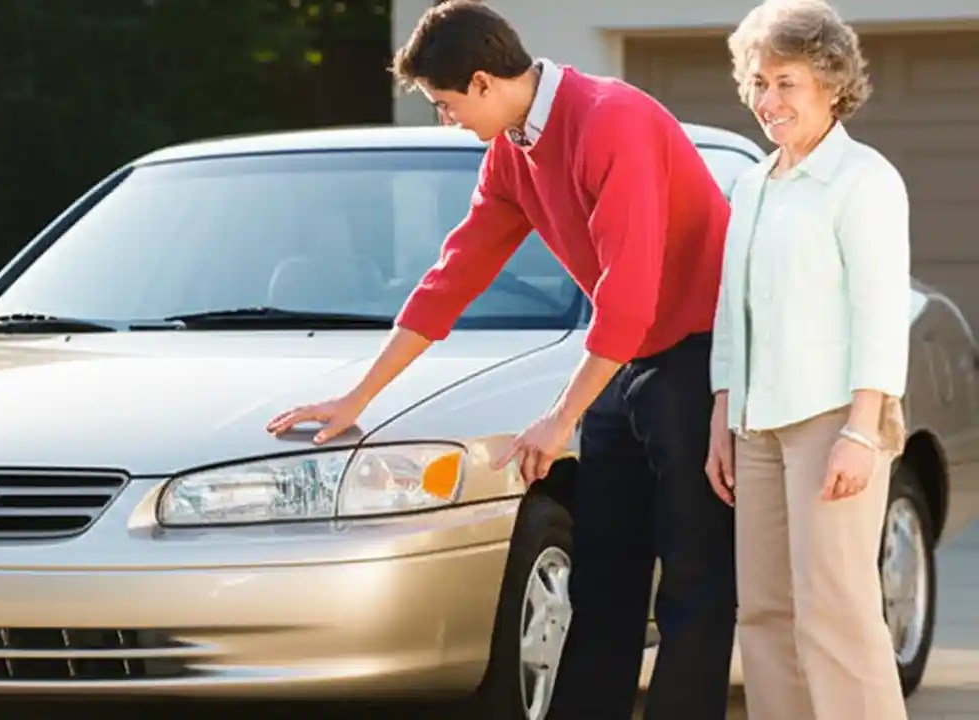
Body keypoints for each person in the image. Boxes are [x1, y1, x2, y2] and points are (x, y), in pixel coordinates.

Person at [265, 1, 736, 717]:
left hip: (701, 356)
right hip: (626, 362)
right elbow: (450, 280)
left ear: (483, 81)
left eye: (444, 104)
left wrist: (558, 418)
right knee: (603, 575)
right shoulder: (513, 153)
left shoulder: (614, 121)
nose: (445, 118)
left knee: (693, 579)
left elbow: (630, 295)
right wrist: (357, 399)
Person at [705, 1, 912, 718]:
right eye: (758, 83)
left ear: (830, 80)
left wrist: (863, 430)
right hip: (757, 428)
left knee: (835, 611)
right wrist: (722, 416)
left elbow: (881, 314)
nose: (768, 101)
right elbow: (734, 313)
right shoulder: (754, 185)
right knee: (763, 612)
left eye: (786, 82)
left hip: (834, 423)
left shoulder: (864, 180)